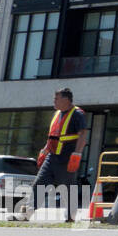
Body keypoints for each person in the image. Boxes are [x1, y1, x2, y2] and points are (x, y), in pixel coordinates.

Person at [34, 88, 87, 222]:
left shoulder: (77, 114)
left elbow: (82, 135)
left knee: (68, 189)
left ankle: (70, 217)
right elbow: (53, 136)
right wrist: (44, 150)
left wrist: (77, 154)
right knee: (39, 184)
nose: (54, 101)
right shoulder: (57, 114)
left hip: (67, 159)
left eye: (56, 98)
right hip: (51, 157)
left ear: (66, 99)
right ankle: (27, 212)